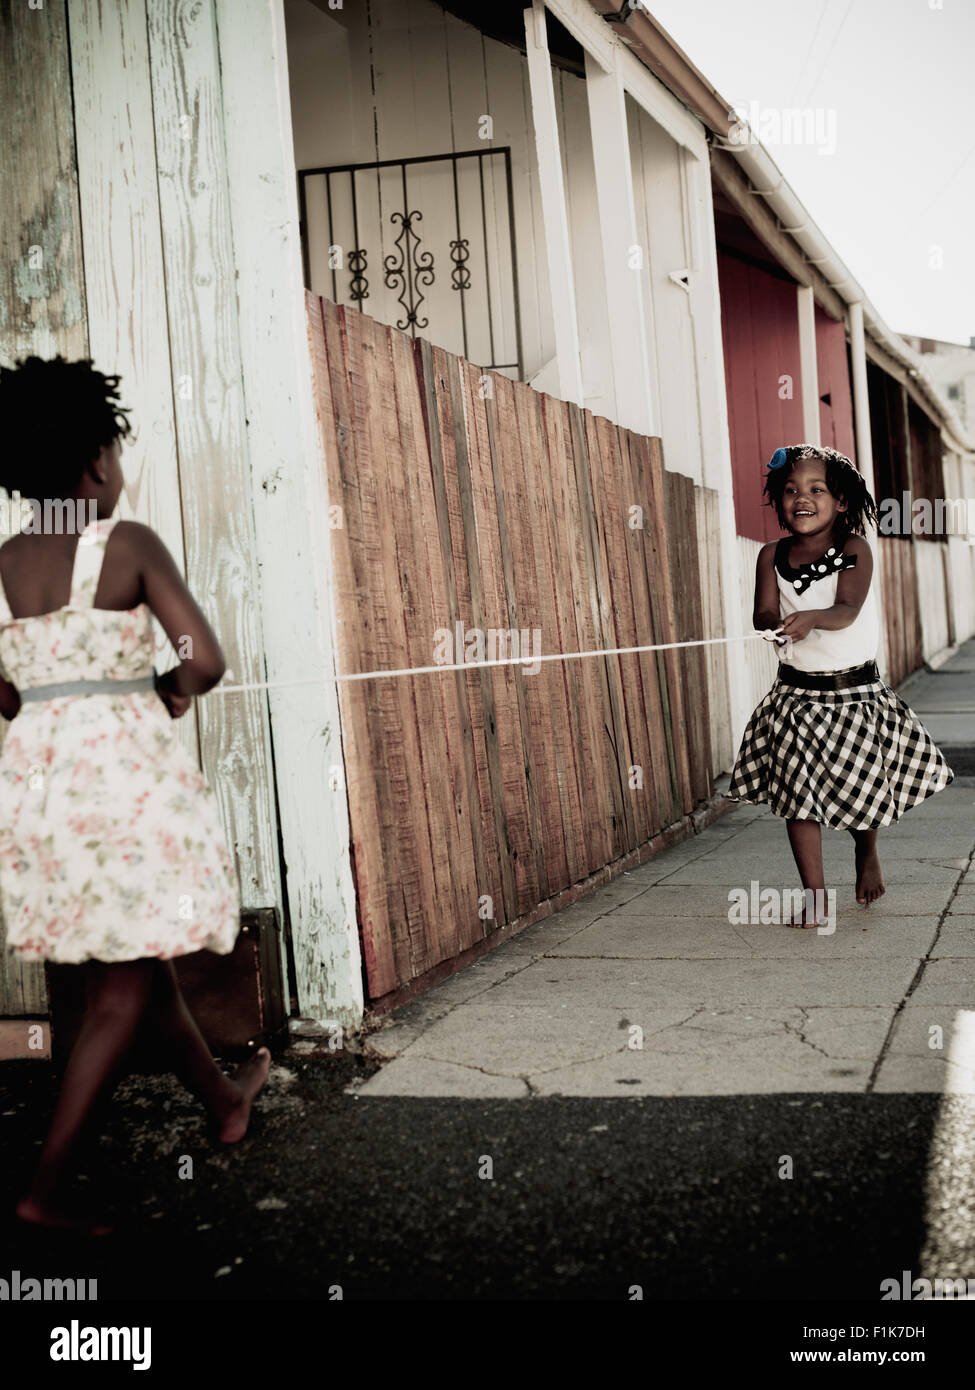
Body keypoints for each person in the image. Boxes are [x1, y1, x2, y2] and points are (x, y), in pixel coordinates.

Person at [0, 355, 270, 1234]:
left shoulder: (5, 562)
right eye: (115, 450)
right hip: (124, 794)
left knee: (139, 966)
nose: (120, 468)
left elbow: (4, 691)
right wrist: (158, 692)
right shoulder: (127, 545)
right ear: (95, 463)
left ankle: (225, 1103)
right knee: (120, 992)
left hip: (43, 799)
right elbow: (206, 657)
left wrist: (47, 703)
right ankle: (44, 1191)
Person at [728, 443, 953, 927]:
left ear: (842, 502)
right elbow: (763, 611)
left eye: (815, 489)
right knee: (798, 798)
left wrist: (811, 618)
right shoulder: (770, 555)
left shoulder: (854, 549)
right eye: (790, 490)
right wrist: (774, 622)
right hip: (796, 699)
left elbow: (847, 610)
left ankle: (867, 850)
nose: (800, 498)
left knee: (861, 792)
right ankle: (815, 897)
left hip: (855, 696)